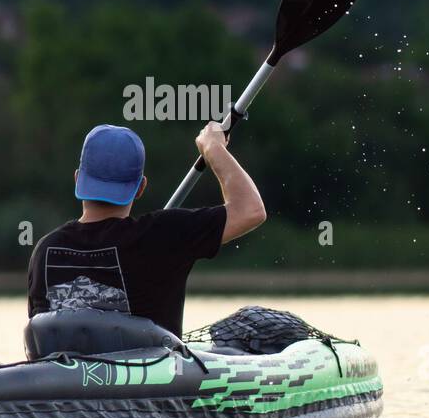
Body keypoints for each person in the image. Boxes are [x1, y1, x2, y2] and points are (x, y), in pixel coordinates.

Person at [27, 122, 266, 336]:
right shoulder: (163, 234)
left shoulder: (45, 250)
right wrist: (213, 148)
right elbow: (251, 210)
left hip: (65, 382)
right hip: (148, 382)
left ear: (78, 178)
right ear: (141, 187)